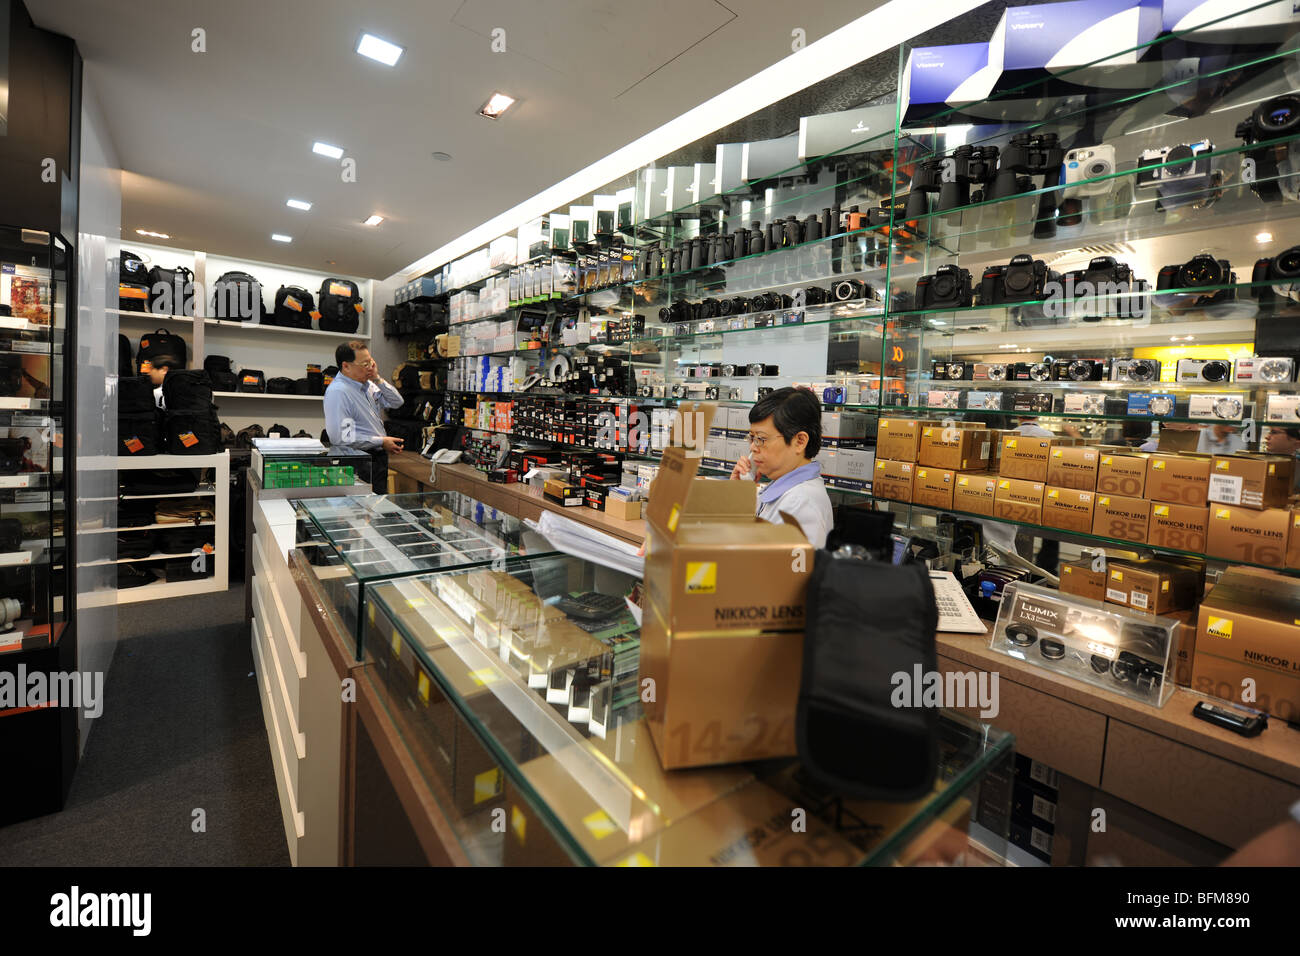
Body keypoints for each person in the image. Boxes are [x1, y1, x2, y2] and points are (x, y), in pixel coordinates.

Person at [729, 386, 834, 548]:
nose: (753, 447)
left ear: (799, 441)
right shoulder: (782, 489)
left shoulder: (800, 503)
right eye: (751, 438)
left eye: (761, 439)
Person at [323, 340, 405, 493]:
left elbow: (396, 402)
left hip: (375, 460)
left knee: (377, 508)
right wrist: (381, 441)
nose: (370, 368)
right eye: (364, 364)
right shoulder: (340, 392)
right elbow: (342, 437)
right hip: (356, 463)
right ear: (346, 366)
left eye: (371, 362)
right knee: (360, 512)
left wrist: (377, 378)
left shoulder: (368, 385)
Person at [1264, 425, 1300, 492]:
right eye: (1269, 432)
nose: (1267, 437)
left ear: (1296, 443)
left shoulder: (1296, 466)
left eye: (1274, 432)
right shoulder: (1259, 462)